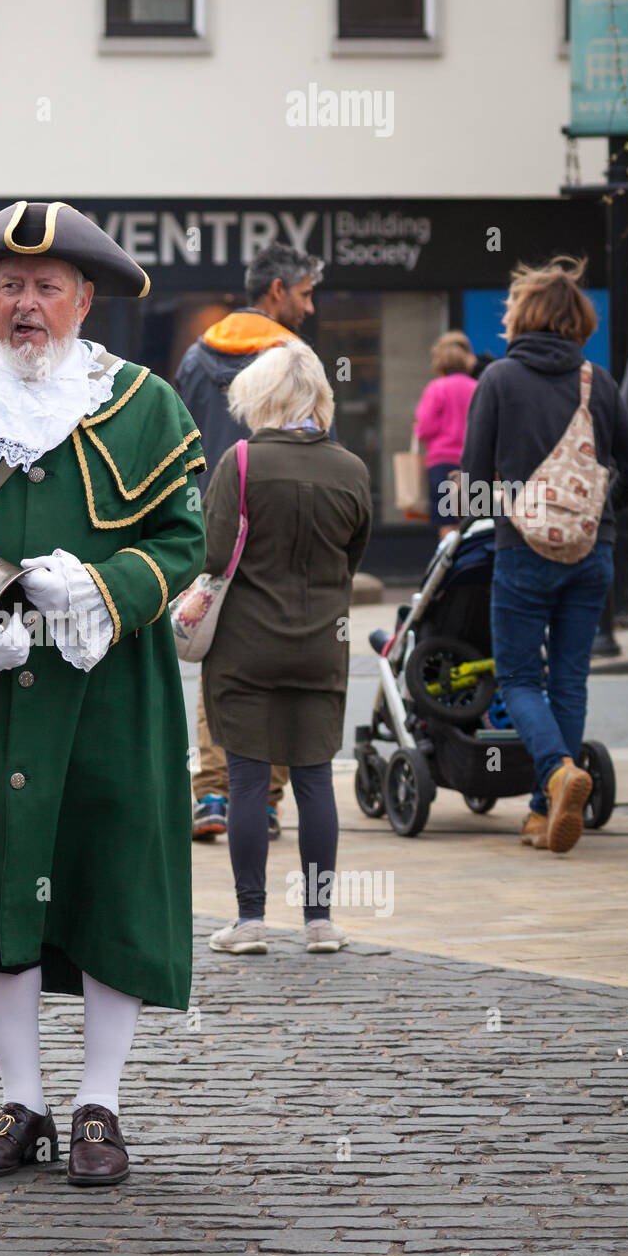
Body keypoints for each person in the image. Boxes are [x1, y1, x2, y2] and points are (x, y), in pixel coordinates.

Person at [0, 201, 206, 1186]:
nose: (25, 305)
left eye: (45, 287)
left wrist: (98, 588)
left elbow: (183, 540)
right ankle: (26, 1104)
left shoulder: (146, 405)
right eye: (9, 288)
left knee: (108, 879)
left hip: (109, 689)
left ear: (84, 299)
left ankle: (101, 1104)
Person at [201, 339, 371, 955]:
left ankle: (249, 923)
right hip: (323, 644)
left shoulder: (240, 462)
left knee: (247, 781)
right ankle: (320, 921)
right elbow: (354, 557)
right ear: (319, 397)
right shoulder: (351, 469)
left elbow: (214, 556)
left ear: (260, 397)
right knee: (315, 780)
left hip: (246, 648)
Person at [460, 256, 628, 853]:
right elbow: (625, 462)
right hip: (593, 551)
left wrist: (468, 520)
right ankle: (541, 811)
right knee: (570, 680)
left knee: (518, 678)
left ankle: (558, 772)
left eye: (510, 308)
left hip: (523, 549)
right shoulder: (598, 379)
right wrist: (599, 511)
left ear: (528, 316)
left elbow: (475, 474)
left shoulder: (500, 379)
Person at [176, 243, 324, 844]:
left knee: (222, 664)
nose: (310, 308)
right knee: (286, 666)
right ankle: (263, 799)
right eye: (306, 293)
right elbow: (319, 446)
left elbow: (179, 447)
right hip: (286, 532)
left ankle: (214, 793)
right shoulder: (296, 359)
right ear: (278, 291)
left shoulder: (194, 355)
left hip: (217, 530)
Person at [414, 331, 477, 539]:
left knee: (447, 521)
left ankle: (450, 567)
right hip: (472, 462)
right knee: (471, 519)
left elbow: (424, 429)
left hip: (442, 464)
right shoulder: (477, 388)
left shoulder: (436, 388)